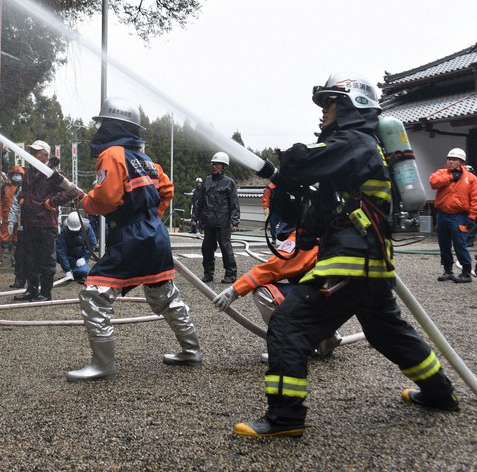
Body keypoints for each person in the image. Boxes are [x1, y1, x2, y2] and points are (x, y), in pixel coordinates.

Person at [234, 73, 459, 438]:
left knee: (290, 325)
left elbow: (307, 161)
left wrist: (291, 161)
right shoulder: (358, 148)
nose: (323, 112)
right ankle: (439, 393)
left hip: (350, 264)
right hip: (368, 263)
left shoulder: (355, 142)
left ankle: (285, 417)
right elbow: (323, 210)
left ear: (352, 105)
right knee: (388, 333)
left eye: (329, 103)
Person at [66, 97, 202, 381]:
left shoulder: (112, 154)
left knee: (95, 294)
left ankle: (103, 364)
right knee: (163, 295)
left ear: (112, 125)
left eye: (102, 123)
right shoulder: (146, 160)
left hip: (131, 236)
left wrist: (88, 203)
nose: (99, 128)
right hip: (154, 235)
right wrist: (153, 217)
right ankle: (191, 350)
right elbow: (167, 189)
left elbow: (107, 198)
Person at [211, 222, 341, 361]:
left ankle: (289, 348)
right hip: (334, 301)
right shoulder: (325, 230)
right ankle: (325, 335)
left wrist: (233, 291)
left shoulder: (304, 237)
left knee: (264, 293)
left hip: (324, 301)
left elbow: (272, 269)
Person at [11, 140, 74, 302]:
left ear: (45, 154)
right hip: (29, 221)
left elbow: (70, 192)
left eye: (36, 152)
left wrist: (51, 202)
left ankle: (46, 293)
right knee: (29, 258)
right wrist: (22, 199)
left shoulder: (55, 172)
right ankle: (31, 290)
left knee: (46, 259)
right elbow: (23, 191)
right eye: (32, 151)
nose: (32, 154)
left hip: (46, 222)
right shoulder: (29, 172)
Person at [430, 148, 477, 283]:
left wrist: (472, 217)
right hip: (442, 215)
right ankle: (448, 271)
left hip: (460, 216)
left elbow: (475, 199)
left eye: (454, 159)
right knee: (443, 244)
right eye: (449, 159)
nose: (450, 161)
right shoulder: (441, 173)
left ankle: (466, 273)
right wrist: (450, 177)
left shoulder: (471, 178)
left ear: (461, 162)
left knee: (459, 244)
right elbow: (433, 182)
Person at [195, 151, 240, 283]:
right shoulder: (206, 181)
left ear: (224, 167)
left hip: (223, 222)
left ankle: (231, 274)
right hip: (208, 222)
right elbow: (199, 201)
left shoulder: (229, 183)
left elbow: (234, 203)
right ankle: (208, 273)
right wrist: (195, 217)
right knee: (207, 248)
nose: (214, 166)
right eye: (213, 164)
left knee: (226, 248)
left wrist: (235, 221)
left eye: (217, 164)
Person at [56, 212, 97, 284]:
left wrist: (84, 257)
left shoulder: (87, 228)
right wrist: (67, 269)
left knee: (82, 271)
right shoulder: (64, 229)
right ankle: (70, 269)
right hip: (67, 255)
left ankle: (74, 271)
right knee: (56, 254)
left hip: (79, 257)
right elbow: (60, 250)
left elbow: (92, 243)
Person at [1, 165, 24, 251]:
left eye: (19, 174)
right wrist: (0, 216)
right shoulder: (5, 187)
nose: (16, 176)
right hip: (5, 218)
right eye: (15, 174)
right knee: (3, 240)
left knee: (17, 240)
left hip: (20, 218)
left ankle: (15, 261)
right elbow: (0, 202)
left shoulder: (24, 188)